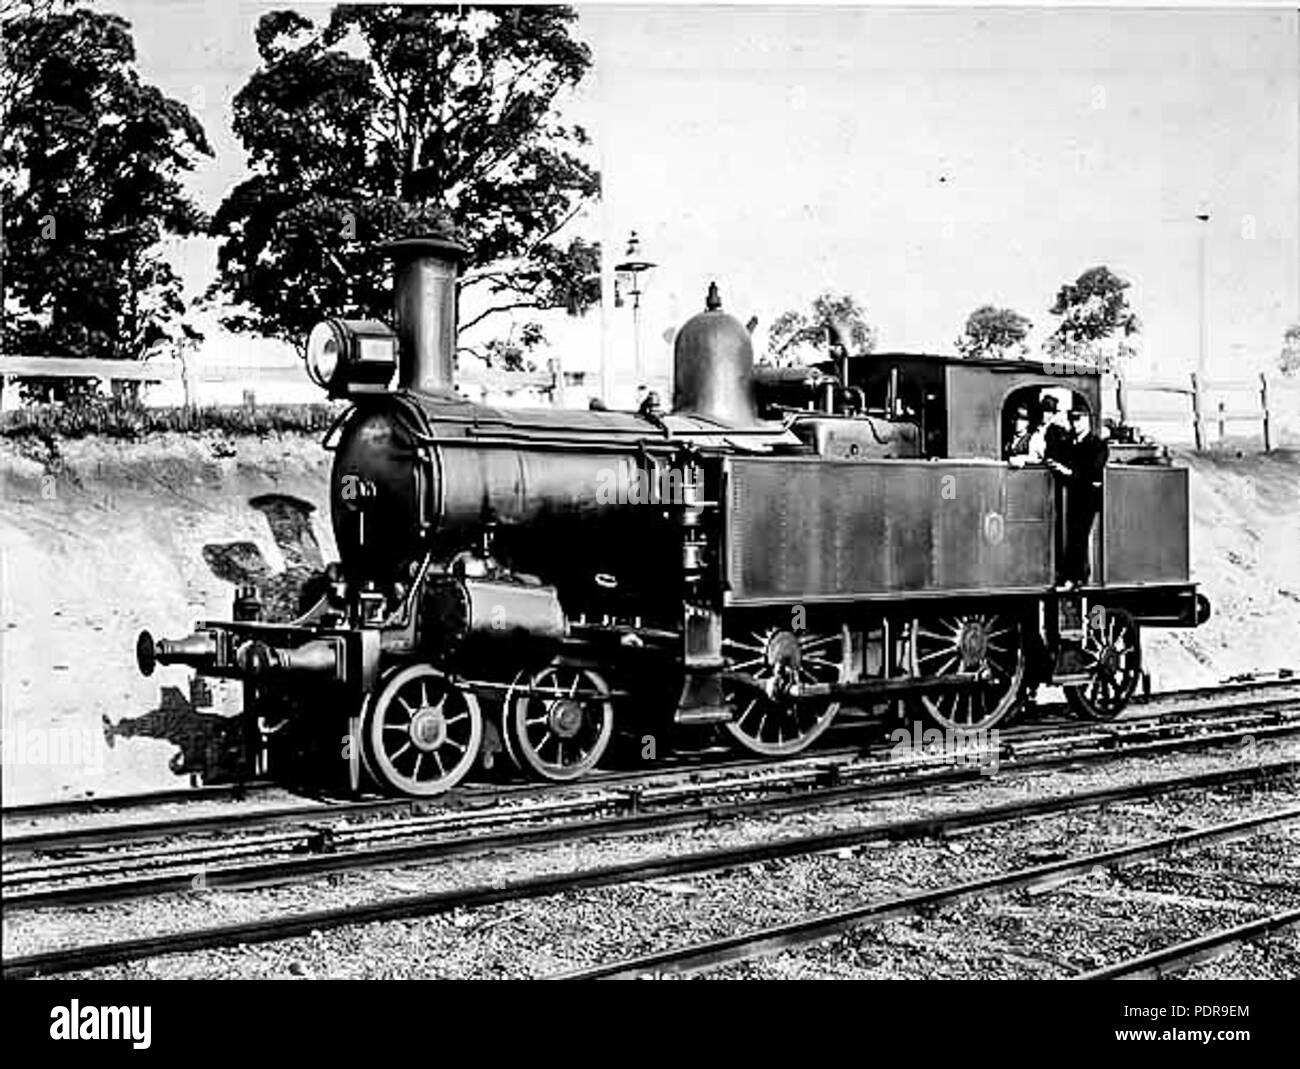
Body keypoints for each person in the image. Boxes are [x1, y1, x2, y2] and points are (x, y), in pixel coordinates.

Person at [1046, 402, 1109, 588]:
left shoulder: (1097, 445)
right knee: (1071, 536)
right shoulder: (1069, 442)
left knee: (1079, 537)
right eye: (1073, 420)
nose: (1076, 424)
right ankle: (1068, 576)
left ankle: (1076, 578)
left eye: (1079, 420)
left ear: (1088, 421)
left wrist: (1068, 472)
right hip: (1072, 496)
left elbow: (1093, 472)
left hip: (1087, 497)